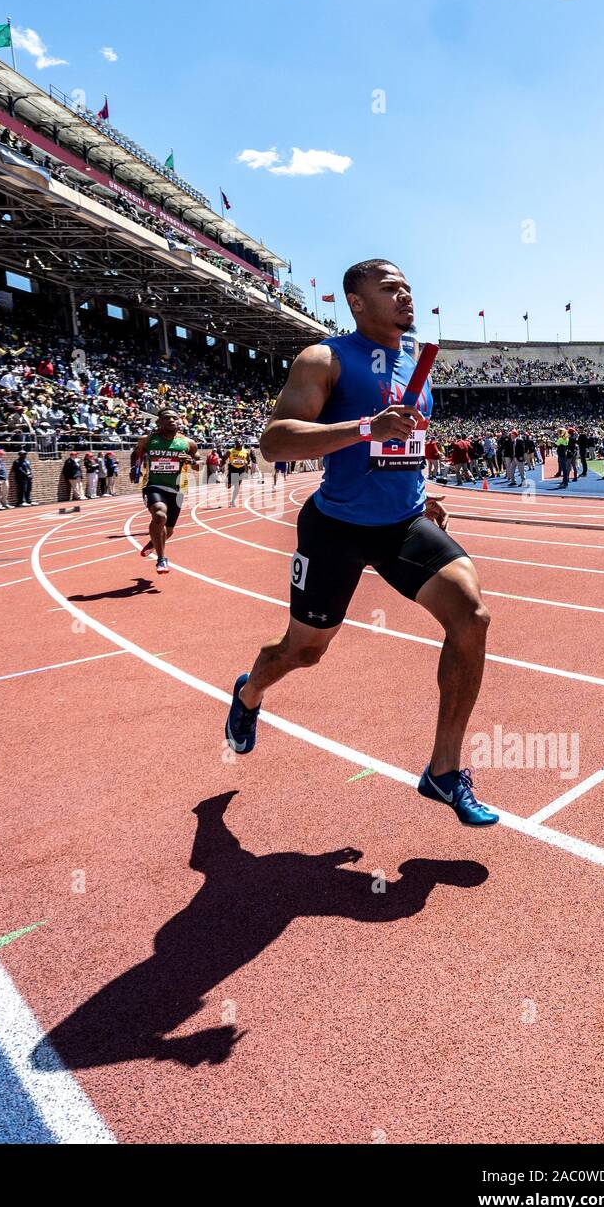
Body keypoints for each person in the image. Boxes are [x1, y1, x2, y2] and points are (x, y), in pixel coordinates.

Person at [224, 257, 497, 827]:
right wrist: (364, 427)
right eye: (390, 288)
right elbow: (276, 442)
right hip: (336, 528)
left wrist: (426, 488)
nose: (406, 296)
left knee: (471, 617)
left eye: (408, 286)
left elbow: (407, 440)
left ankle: (443, 772)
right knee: (303, 653)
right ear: (356, 301)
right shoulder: (324, 358)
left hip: (403, 524)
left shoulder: (417, 360)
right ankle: (250, 692)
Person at [131, 408, 199, 575]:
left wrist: (190, 460)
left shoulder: (188, 443)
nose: (171, 421)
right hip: (153, 485)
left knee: (168, 530)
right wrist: (135, 467)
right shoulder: (147, 440)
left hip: (177, 488)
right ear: (158, 422)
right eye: (167, 418)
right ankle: (161, 559)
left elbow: (198, 464)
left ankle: (153, 543)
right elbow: (135, 455)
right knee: (160, 515)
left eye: (175, 418)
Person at [224, 438, 253, 507]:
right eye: (237, 442)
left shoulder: (245, 452)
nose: (239, 443)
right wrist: (221, 464)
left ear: (242, 443)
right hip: (232, 469)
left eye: (240, 442)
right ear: (235, 444)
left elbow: (249, 461)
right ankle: (229, 481)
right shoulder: (230, 451)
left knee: (237, 487)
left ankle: (233, 501)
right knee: (228, 486)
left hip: (241, 470)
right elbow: (224, 459)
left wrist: (249, 464)